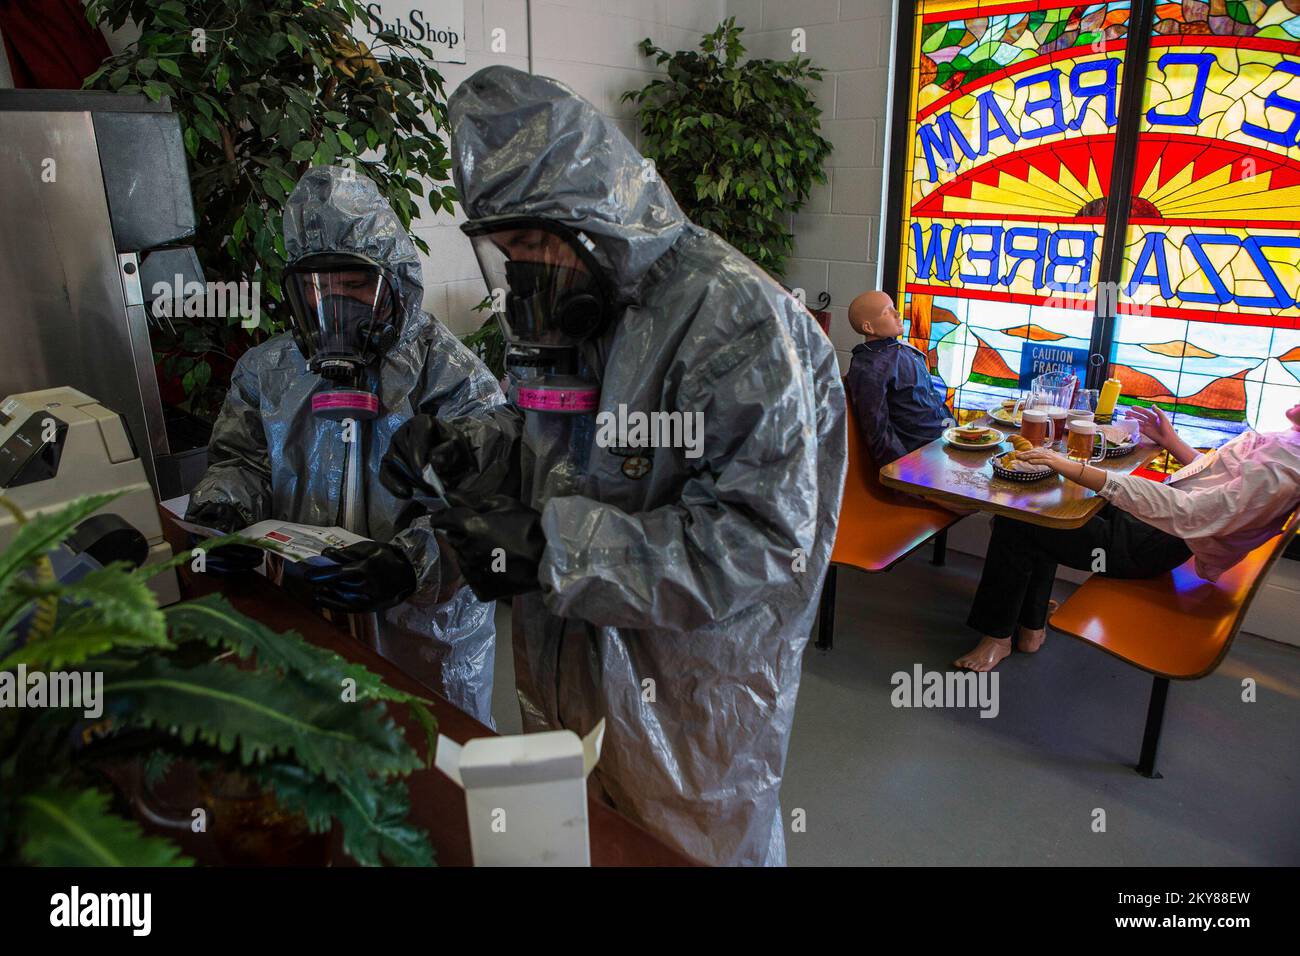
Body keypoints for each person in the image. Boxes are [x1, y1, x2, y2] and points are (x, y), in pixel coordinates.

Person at [379, 66, 847, 866]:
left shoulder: (735, 318)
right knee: (574, 844)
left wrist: (557, 551)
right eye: (503, 248)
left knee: (680, 846)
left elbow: (763, 543)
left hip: (688, 694)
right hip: (565, 663)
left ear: (590, 212)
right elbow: (552, 442)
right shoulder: (565, 303)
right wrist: (469, 448)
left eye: (529, 241)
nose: (519, 266)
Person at [186, 165, 505, 724]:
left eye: (354, 284)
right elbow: (242, 460)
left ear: (392, 282)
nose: (335, 301)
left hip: (423, 634)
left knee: (430, 766)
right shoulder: (268, 370)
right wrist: (223, 510)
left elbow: (489, 503)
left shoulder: (451, 375)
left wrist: (411, 566)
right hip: (309, 613)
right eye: (318, 286)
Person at [955, 402, 1300, 671]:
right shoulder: (1289, 444)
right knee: (1049, 502)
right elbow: (1218, 492)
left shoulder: (1285, 468)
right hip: (1154, 527)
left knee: (1019, 521)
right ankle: (1031, 626)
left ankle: (998, 636)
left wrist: (1075, 468)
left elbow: (1191, 513)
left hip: (1150, 546)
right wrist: (1171, 442)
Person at [844, 291, 952, 466]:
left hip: (945, 440)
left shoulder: (904, 350)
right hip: (919, 454)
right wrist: (900, 469)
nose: (897, 314)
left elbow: (931, 398)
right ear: (868, 328)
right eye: (887, 311)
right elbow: (876, 427)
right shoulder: (869, 366)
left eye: (894, 308)